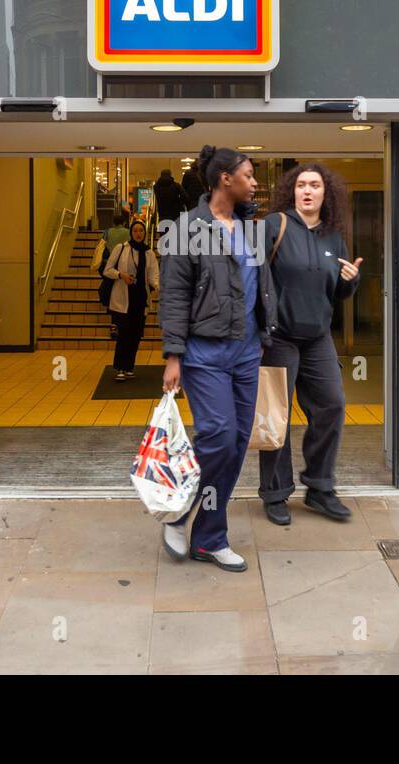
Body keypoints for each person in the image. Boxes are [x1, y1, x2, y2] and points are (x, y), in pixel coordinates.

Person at [159, 144, 277, 572]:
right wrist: (173, 356)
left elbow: (262, 286)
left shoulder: (251, 227)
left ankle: (209, 539)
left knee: (236, 444)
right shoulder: (185, 228)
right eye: (248, 175)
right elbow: (173, 295)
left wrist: (265, 332)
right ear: (225, 179)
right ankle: (177, 512)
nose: (254, 182)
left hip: (246, 352)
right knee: (218, 437)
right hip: (204, 353)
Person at [258, 163, 363, 526]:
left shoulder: (334, 237)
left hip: (318, 337)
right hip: (280, 337)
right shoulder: (274, 226)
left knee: (332, 405)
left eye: (314, 185)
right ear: (292, 191)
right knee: (277, 417)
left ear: (324, 193)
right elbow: (254, 278)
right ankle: (274, 493)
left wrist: (351, 280)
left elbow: (339, 291)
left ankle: (319, 488)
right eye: (301, 185)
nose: (307, 191)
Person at [103, 220, 159, 381]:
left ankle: (129, 367)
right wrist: (121, 275)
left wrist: (158, 286)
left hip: (140, 300)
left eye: (141, 230)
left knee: (135, 335)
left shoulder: (149, 253)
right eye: (135, 231)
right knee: (124, 334)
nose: (138, 233)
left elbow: (154, 275)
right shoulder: (121, 248)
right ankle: (120, 367)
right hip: (123, 299)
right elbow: (108, 270)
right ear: (131, 232)